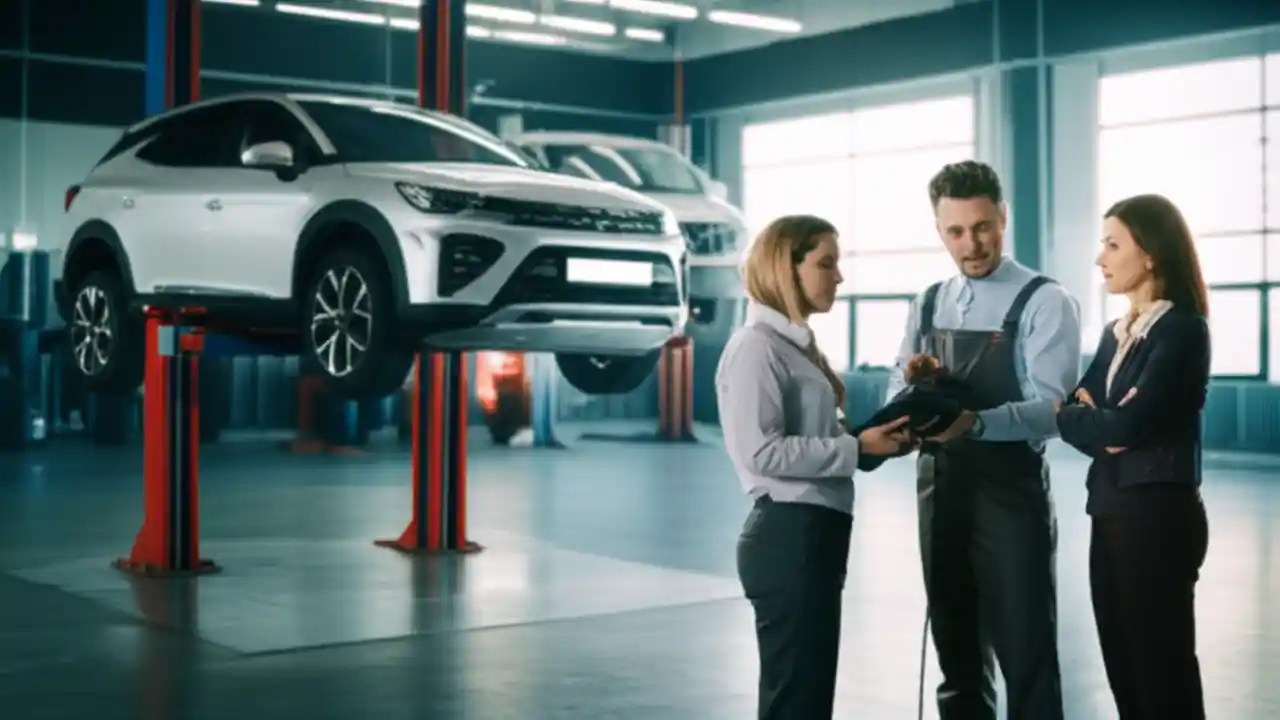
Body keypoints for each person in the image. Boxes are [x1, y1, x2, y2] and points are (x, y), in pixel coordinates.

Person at [885, 160, 1080, 719]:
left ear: (1003, 218)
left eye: (982, 227)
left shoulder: (1045, 300)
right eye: (955, 231)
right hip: (939, 489)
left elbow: (1051, 411)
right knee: (955, 649)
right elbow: (896, 385)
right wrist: (912, 392)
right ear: (938, 229)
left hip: (1009, 494)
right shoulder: (927, 302)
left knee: (1026, 648)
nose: (971, 244)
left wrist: (973, 423)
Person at [716, 214, 914, 720]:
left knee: (807, 699)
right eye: (826, 264)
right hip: (789, 536)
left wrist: (872, 446)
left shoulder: (793, 345)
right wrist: (853, 449)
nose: (839, 277)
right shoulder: (756, 348)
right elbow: (761, 452)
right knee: (796, 702)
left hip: (815, 534)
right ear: (787, 268)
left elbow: (821, 441)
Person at [1055, 193, 1210, 720]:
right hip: (1110, 511)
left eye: (1113, 244)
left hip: (1158, 520)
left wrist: (1100, 420)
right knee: (1123, 668)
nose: (1100, 258)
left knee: (1161, 674)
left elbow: (1124, 424)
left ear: (1150, 254)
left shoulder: (1182, 329)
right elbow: (1078, 413)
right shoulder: (1116, 333)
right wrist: (1095, 421)